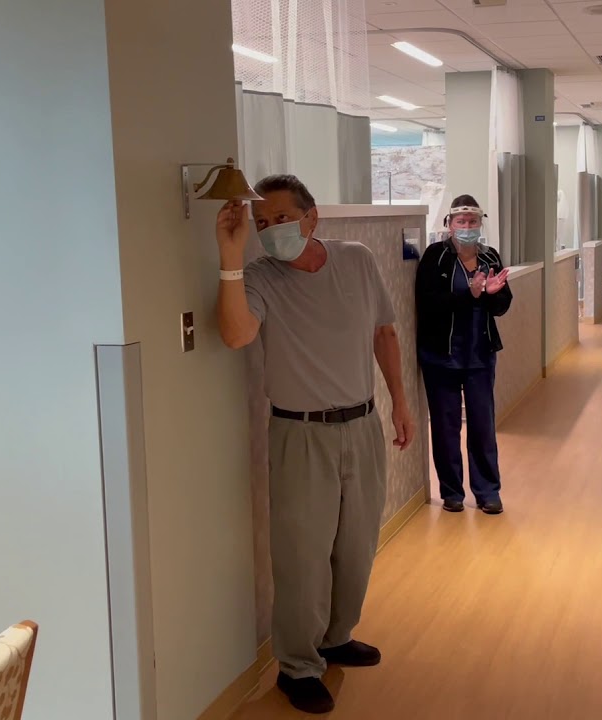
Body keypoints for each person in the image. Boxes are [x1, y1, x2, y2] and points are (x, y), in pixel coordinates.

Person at [215, 174, 416, 714]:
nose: (272, 230)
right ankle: (297, 665)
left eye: (281, 218)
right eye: (262, 224)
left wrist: (398, 400)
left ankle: (335, 637)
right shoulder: (260, 277)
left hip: (363, 424)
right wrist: (230, 254)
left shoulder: (355, 259)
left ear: (311, 218)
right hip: (299, 433)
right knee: (302, 557)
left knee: (356, 545)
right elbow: (235, 334)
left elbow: (384, 332)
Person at [416, 195, 513, 515]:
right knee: (445, 427)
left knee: (483, 426)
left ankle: (488, 492)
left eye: (473, 222)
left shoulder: (490, 258)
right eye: (461, 222)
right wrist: (468, 294)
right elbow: (428, 303)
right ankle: (452, 492)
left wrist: (493, 296)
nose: (467, 227)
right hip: (441, 356)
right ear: (449, 225)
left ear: (480, 224)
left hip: (479, 356)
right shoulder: (436, 257)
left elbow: (500, 307)